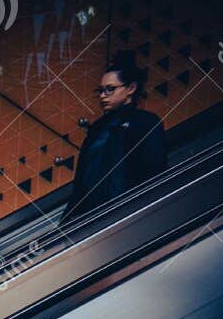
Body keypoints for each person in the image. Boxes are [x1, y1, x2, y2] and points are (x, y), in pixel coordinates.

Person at [62, 51, 166, 220]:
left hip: (129, 214)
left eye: (110, 89)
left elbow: (154, 171)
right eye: (101, 91)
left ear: (131, 88)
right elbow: (81, 182)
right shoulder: (97, 129)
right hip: (91, 218)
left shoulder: (146, 123)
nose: (103, 96)